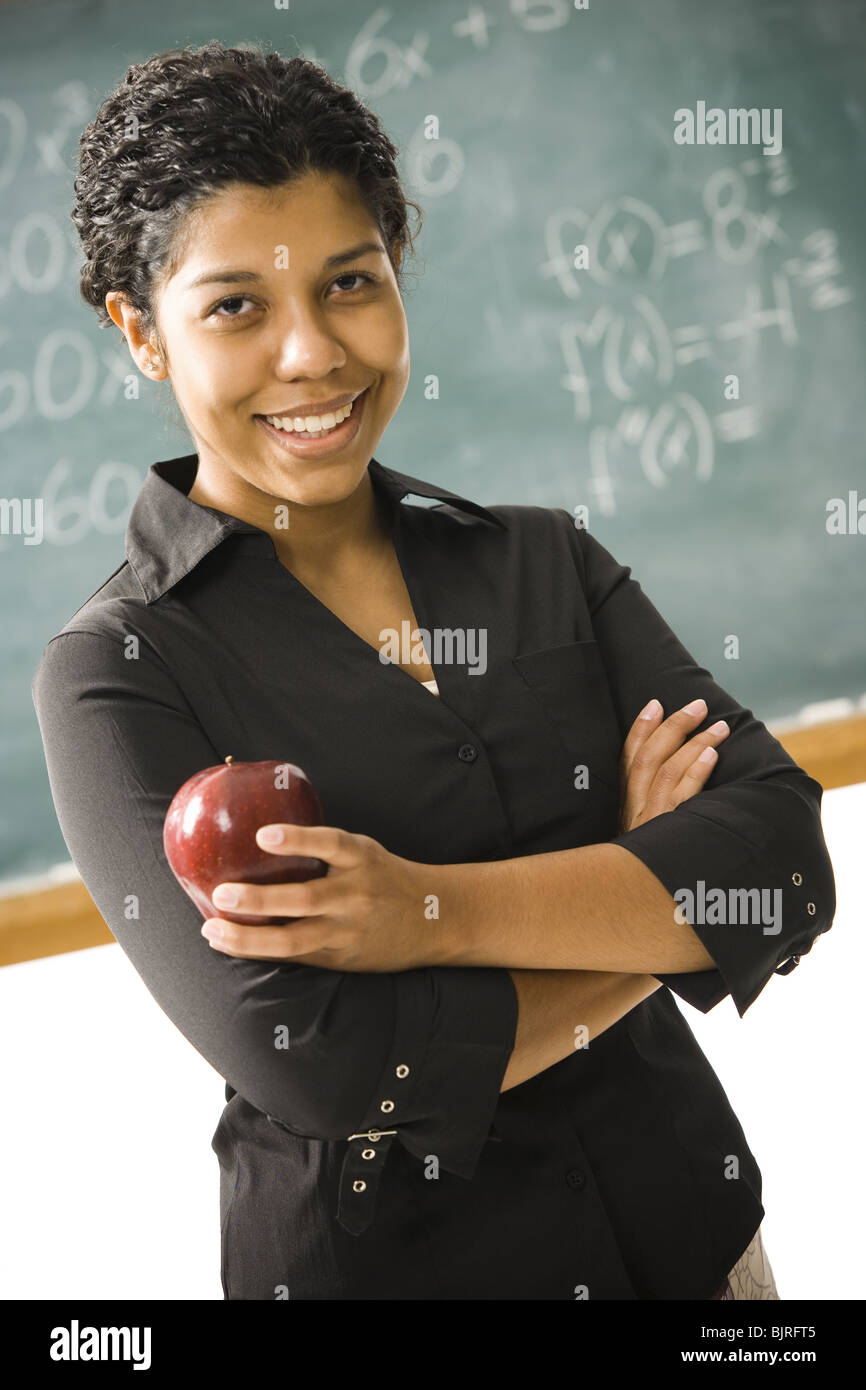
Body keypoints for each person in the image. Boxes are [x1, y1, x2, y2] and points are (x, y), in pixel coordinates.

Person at [32, 41, 834, 1300]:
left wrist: (424, 912)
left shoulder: (538, 559)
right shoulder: (116, 671)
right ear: (142, 332)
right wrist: (637, 886)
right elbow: (331, 1065)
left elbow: (782, 858)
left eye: (350, 282)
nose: (311, 354)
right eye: (235, 305)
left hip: (696, 1250)